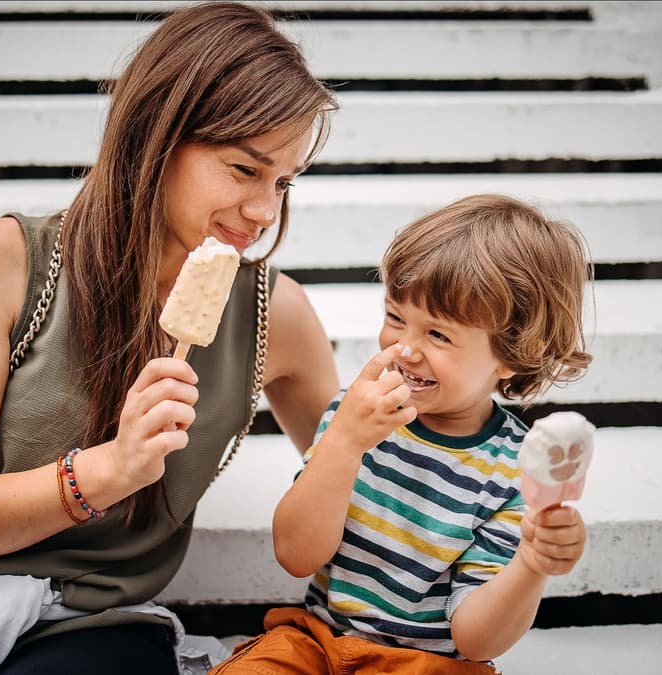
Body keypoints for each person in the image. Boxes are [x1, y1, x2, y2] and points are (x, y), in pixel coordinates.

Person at [0, 3, 339, 674]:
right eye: (245, 170)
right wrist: (107, 471)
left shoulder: (277, 315)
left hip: (100, 622)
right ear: (155, 135)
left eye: (283, 180)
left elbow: (366, 498)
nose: (264, 210)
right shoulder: (11, 260)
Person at [212, 194, 593, 674]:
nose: (405, 349)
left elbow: (475, 640)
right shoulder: (359, 413)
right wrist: (345, 441)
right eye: (395, 317)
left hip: (426, 664)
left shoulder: (515, 474)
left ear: (512, 355)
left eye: (439, 335)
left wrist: (531, 566)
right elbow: (295, 553)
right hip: (319, 643)